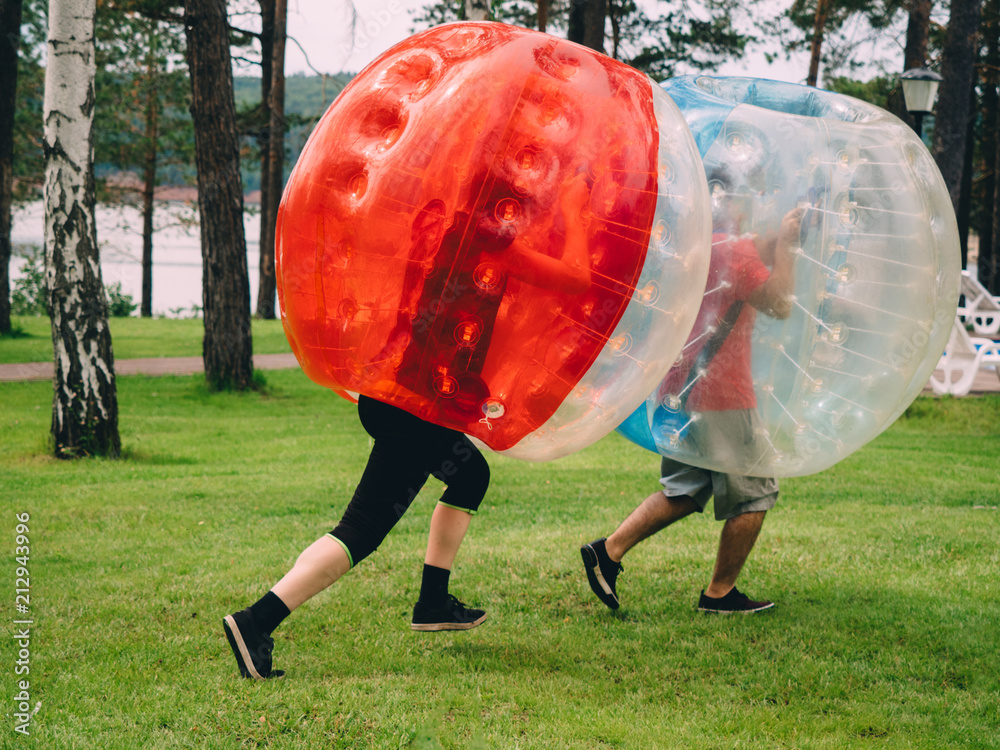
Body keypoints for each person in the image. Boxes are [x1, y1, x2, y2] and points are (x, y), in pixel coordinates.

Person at [223, 174, 592, 680]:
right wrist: (571, 204)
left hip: (400, 396)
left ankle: (433, 602)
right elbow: (576, 277)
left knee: (469, 475)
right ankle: (256, 621)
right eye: (515, 211)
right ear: (499, 213)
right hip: (413, 407)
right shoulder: (491, 246)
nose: (518, 221)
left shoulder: (447, 232)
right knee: (360, 530)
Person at [581, 172, 805, 615]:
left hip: (682, 390)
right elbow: (779, 302)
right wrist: (789, 247)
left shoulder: (700, 248)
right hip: (723, 395)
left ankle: (606, 552)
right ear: (738, 208)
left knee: (685, 488)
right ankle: (719, 594)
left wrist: (773, 238)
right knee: (756, 492)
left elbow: (745, 260)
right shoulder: (737, 254)